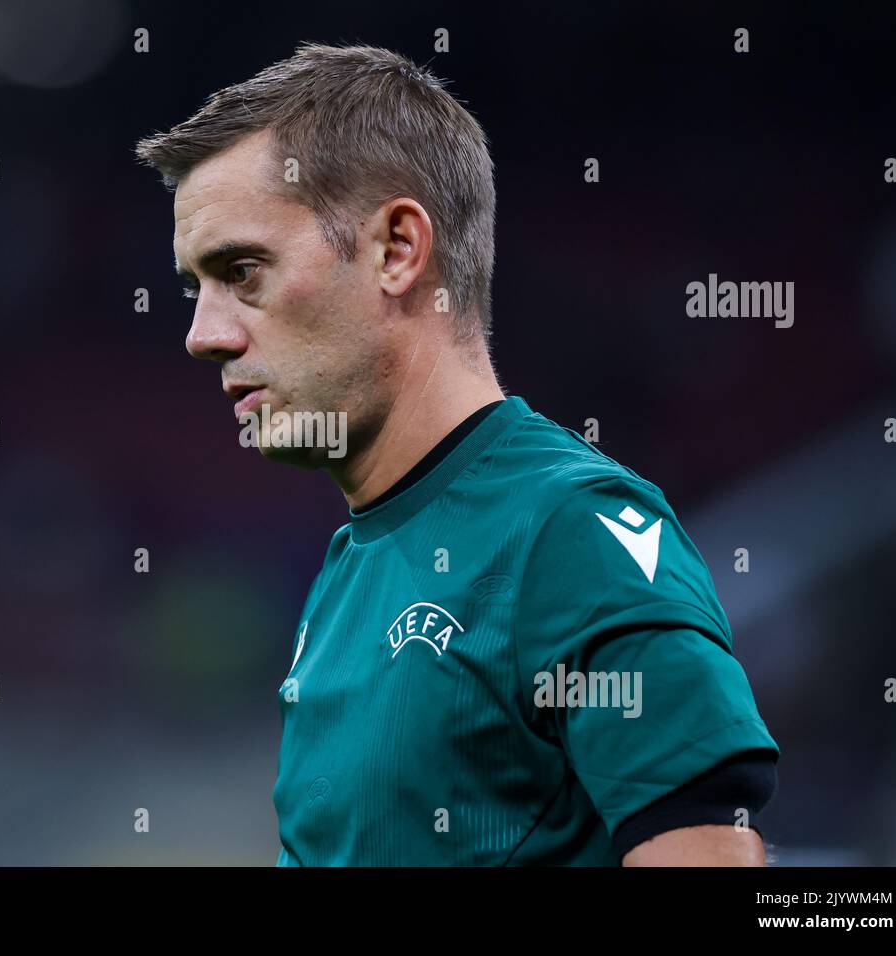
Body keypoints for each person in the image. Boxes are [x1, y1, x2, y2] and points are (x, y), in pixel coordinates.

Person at [135, 42, 778, 865]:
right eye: (197, 288)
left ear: (398, 249)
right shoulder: (348, 569)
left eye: (243, 271)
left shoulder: (570, 532)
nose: (202, 337)